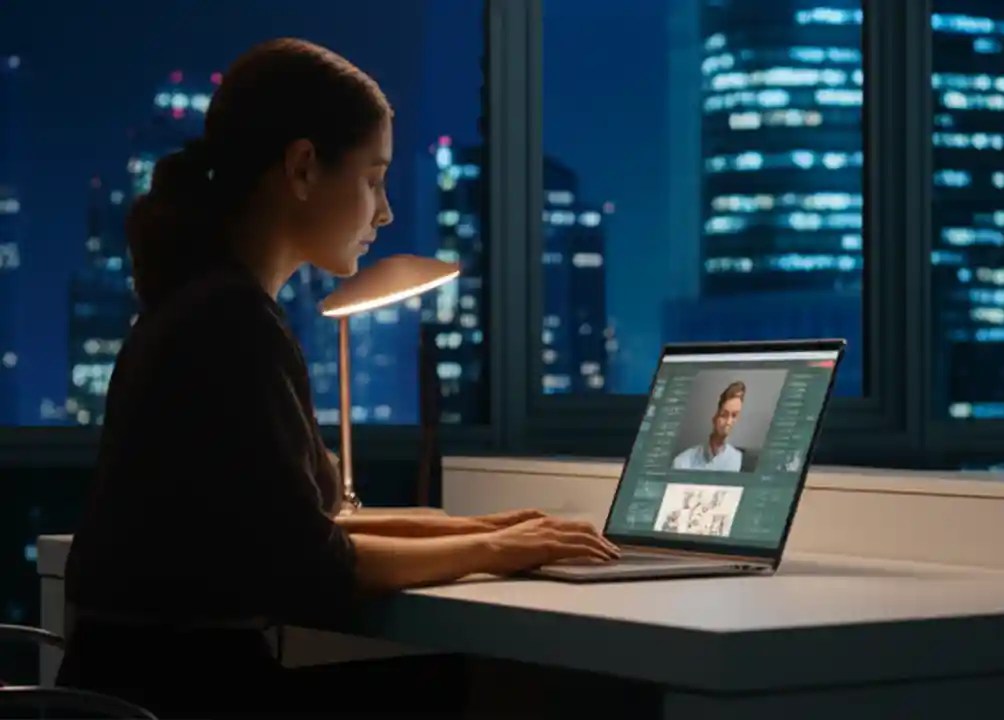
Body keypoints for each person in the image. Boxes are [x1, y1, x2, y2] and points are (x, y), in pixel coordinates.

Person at [55, 38, 620, 718]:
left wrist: (485, 527)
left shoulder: (204, 305)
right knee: (507, 691)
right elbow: (318, 569)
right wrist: (497, 547)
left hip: (144, 687)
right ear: (302, 167)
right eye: (373, 177)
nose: (383, 212)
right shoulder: (230, 324)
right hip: (187, 696)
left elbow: (304, 530)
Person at [671, 381, 747, 472]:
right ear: (714, 415)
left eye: (734, 415)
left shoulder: (736, 459)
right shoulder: (682, 463)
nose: (729, 422)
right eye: (724, 415)